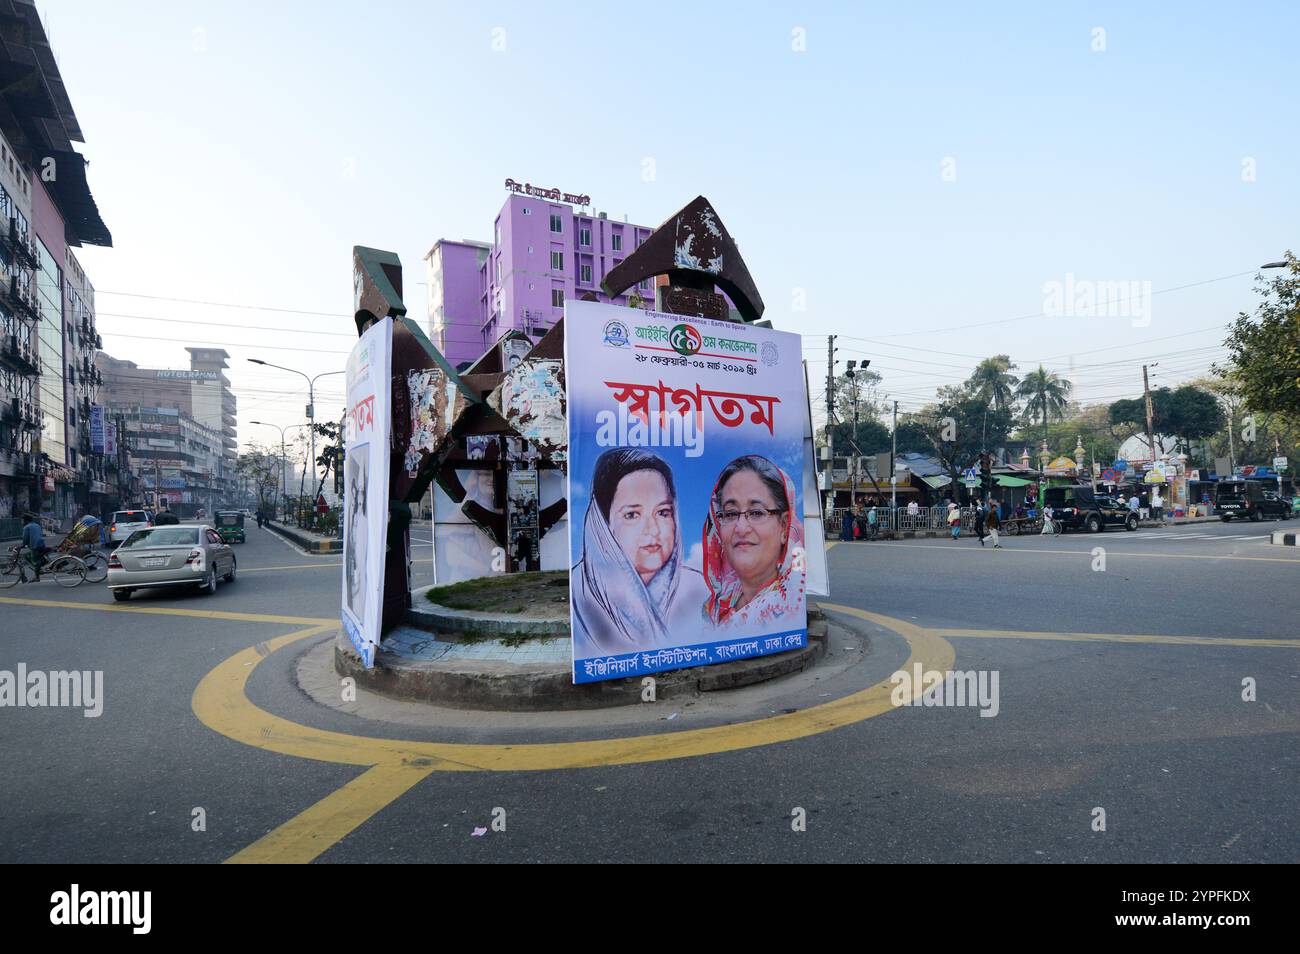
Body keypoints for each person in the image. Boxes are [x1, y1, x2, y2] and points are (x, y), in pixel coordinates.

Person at [571, 448, 711, 656]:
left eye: (663, 512)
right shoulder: (580, 592)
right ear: (603, 523)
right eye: (632, 515)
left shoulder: (700, 590)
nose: (653, 529)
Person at [704, 455, 805, 630]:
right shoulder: (714, 608)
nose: (741, 528)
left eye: (757, 513)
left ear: (784, 526)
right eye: (730, 513)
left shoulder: (788, 612)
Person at [21, 512, 47, 579]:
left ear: (26, 520)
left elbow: (25, 539)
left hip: (35, 546)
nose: (21, 522)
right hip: (42, 544)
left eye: (22, 520)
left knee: (34, 561)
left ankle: (36, 576)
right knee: (30, 556)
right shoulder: (37, 525)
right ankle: (40, 565)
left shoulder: (26, 527)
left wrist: (22, 545)